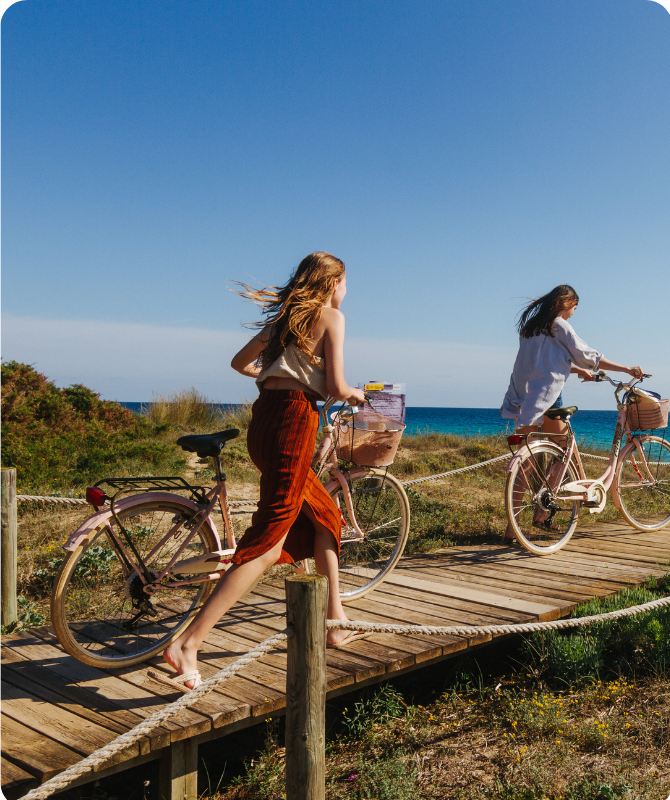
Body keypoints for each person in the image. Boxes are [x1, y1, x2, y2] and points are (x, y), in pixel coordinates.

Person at [158, 252, 368, 690]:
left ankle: (336, 619)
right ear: (333, 283)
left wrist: (275, 375)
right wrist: (357, 395)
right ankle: (189, 643)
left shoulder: (283, 322)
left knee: (326, 515)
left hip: (265, 418)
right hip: (293, 421)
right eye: (345, 283)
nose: (346, 292)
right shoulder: (331, 317)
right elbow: (336, 387)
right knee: (268, 543)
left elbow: (240, 363)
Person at [500, 284, 643, 540]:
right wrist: (627, 369)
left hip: (522, 396)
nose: (574, 312)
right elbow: (589, 355)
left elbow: (540, 363)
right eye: (575, 307)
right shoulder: (559, 325)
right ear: (566, 303)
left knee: (526, 461)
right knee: (563, 446)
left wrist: (576, 370)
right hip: (547, 397)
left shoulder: (531, 327)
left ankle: (513, 528)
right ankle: (543, 512)